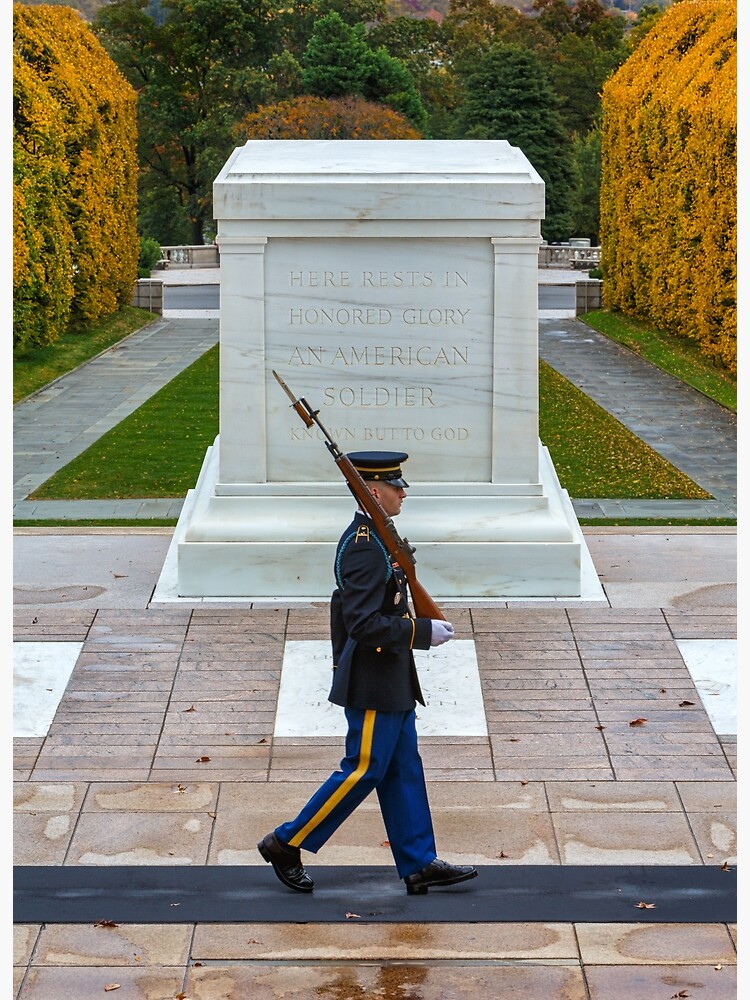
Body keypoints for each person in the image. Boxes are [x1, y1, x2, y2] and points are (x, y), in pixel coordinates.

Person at [258, 450, 478, 896]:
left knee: (402, 769)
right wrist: (420, 631)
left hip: (391, 676)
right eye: (396, 488)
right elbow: (362, 623)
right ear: (374, 493)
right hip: (373, 680)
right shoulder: (364, 546)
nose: (403, 494)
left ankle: (418, 861)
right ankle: (286, 842)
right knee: (363, 770)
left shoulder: (378, 538)